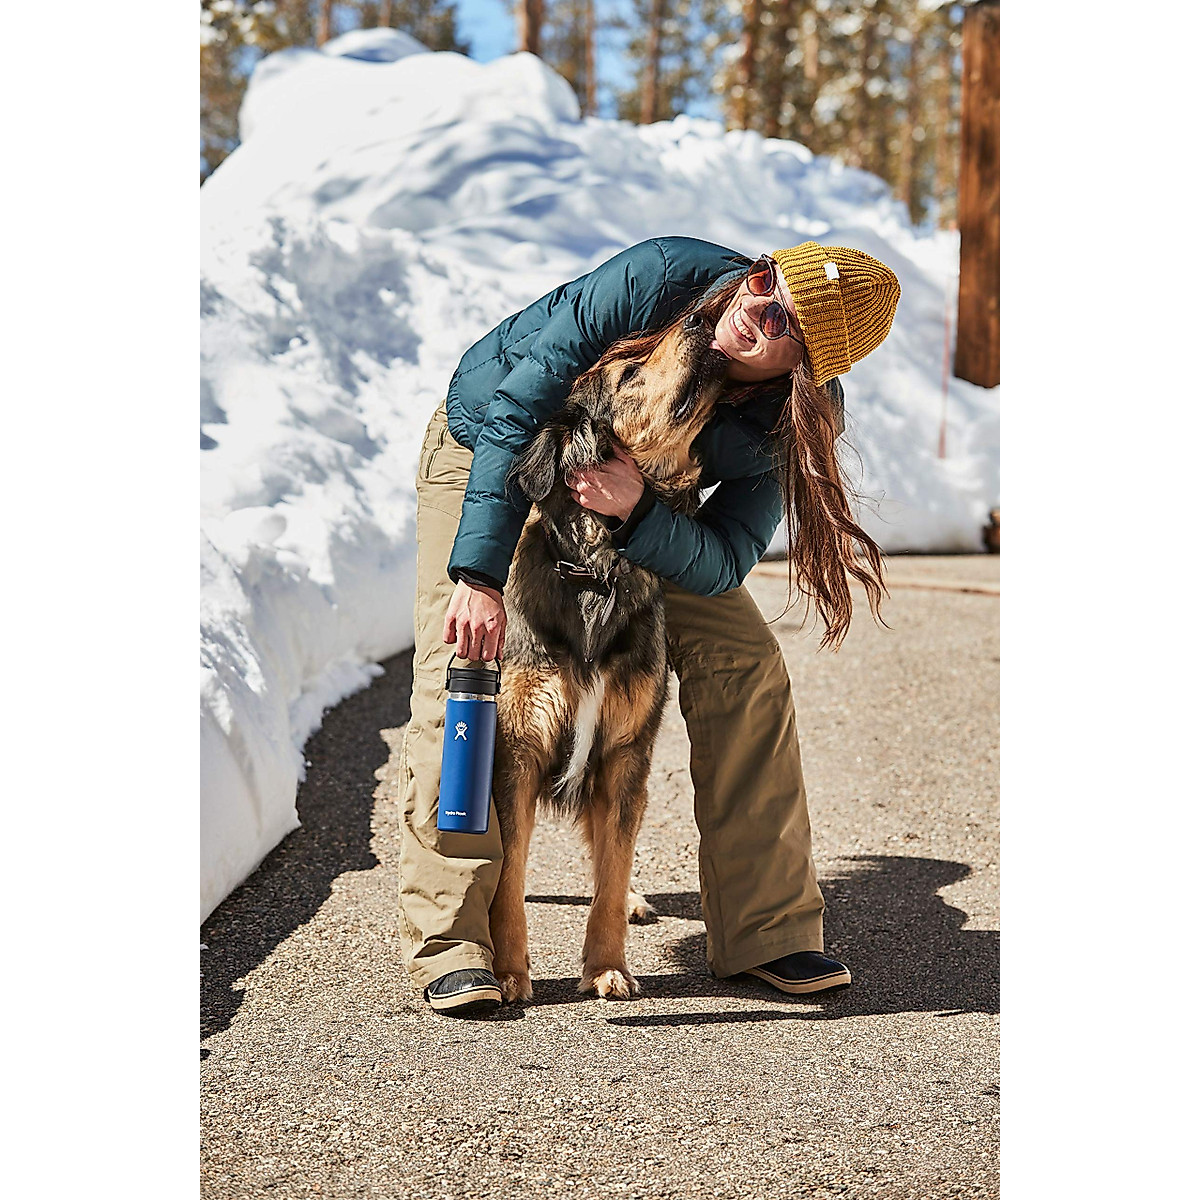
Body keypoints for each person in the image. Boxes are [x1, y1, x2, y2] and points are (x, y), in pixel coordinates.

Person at [398, 236, 900, 1015]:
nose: (754, 310)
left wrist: (633, 510)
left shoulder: (797, 418)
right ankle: (456, 938)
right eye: (765, 283)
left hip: (637, 497)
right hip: (493, 447)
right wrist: (479, 577)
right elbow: (519, 407)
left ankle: (767, 928)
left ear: (808, 368)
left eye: (782, 325)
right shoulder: (659, 278)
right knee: (461, 671)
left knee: (745, 662)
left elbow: (728, 553)